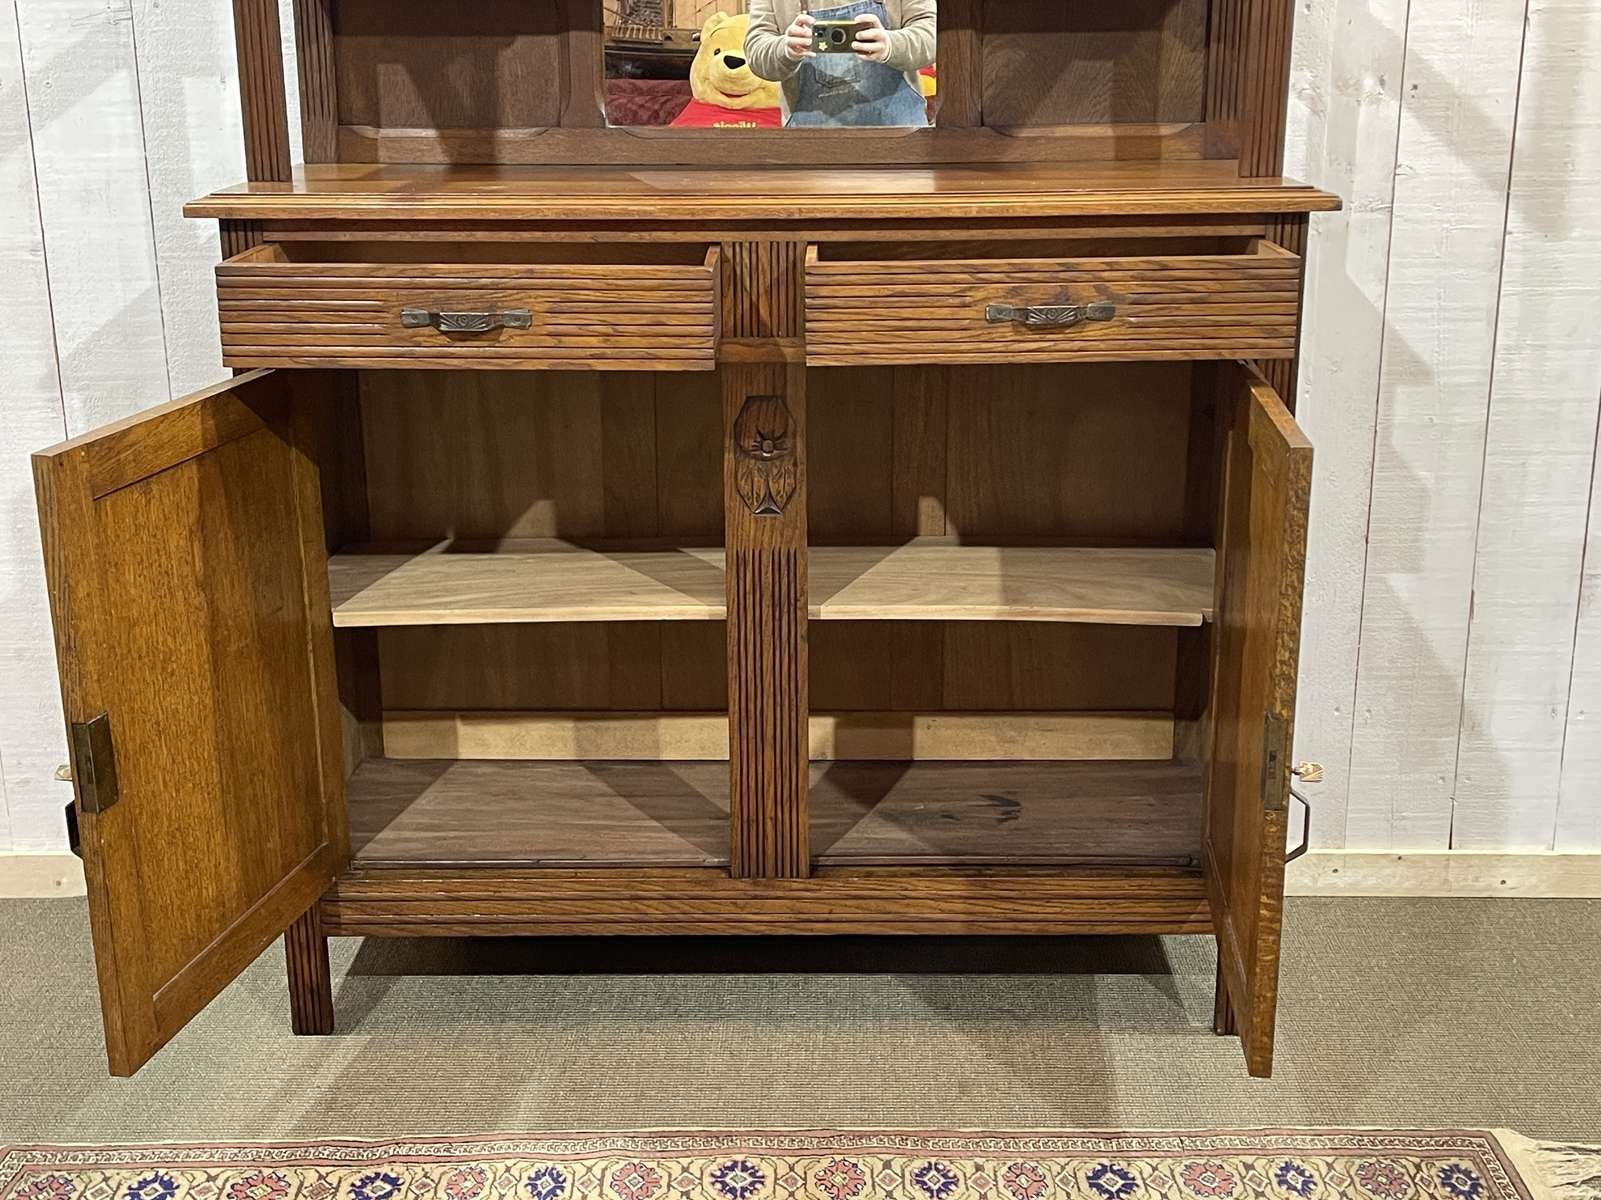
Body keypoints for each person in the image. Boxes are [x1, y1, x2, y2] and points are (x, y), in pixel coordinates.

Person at [744, 0, 935, 127]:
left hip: (901, 139)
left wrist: (891, 45)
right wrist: (785, 49)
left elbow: (933, 34)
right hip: (811, 146)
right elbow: (756, 50)